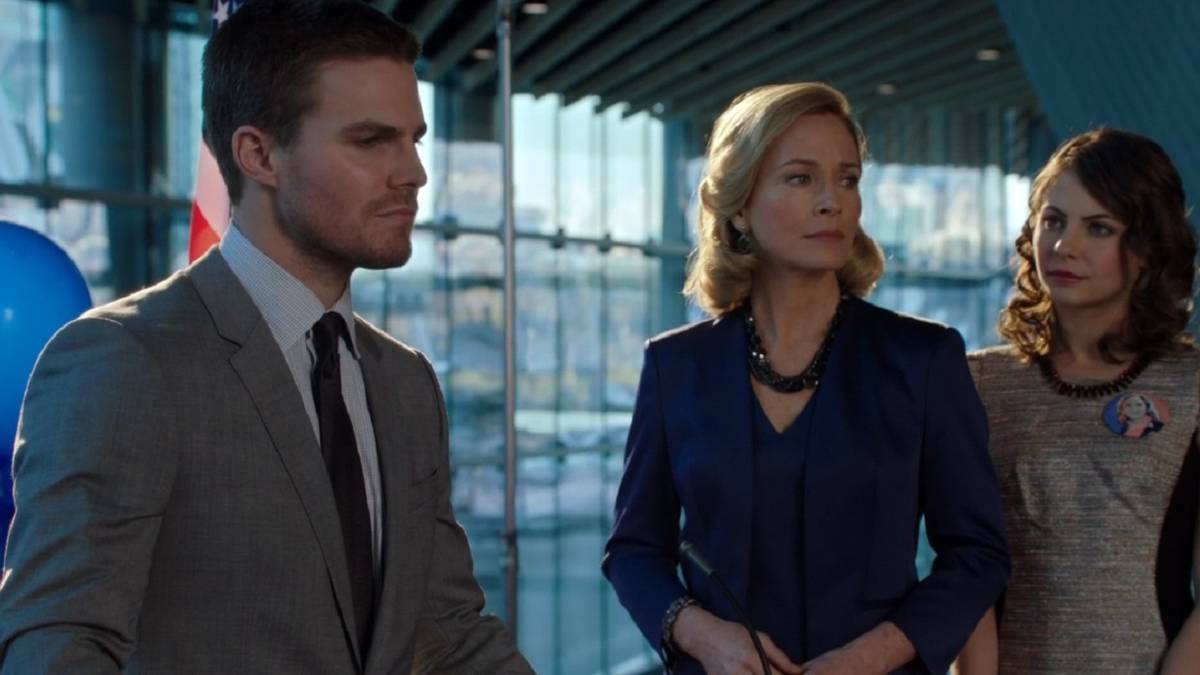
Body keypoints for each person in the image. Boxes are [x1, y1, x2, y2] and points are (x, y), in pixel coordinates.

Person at [0, 2, 532, 673]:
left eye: (413, 140)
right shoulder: (123, 361)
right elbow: (56, 648)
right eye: (372, 141)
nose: (414, 173)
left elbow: (449, 632)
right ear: (258, 154)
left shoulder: (406, 382)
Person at [602, 82, 1010, 675]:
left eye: (847, 180)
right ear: (739, 206)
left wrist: (866, 660)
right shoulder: (676, 366)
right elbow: (634, 550)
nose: (832, 202)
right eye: (800, 178)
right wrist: (705, 636)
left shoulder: (924, 359)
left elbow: (977, 555)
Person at [955, 128, 1200, 674]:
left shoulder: (1193, 387)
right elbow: (965, 573)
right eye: (1054, 221)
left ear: (1146, 250)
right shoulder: (979, 382)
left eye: (1099, 227)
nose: (1066, 246)